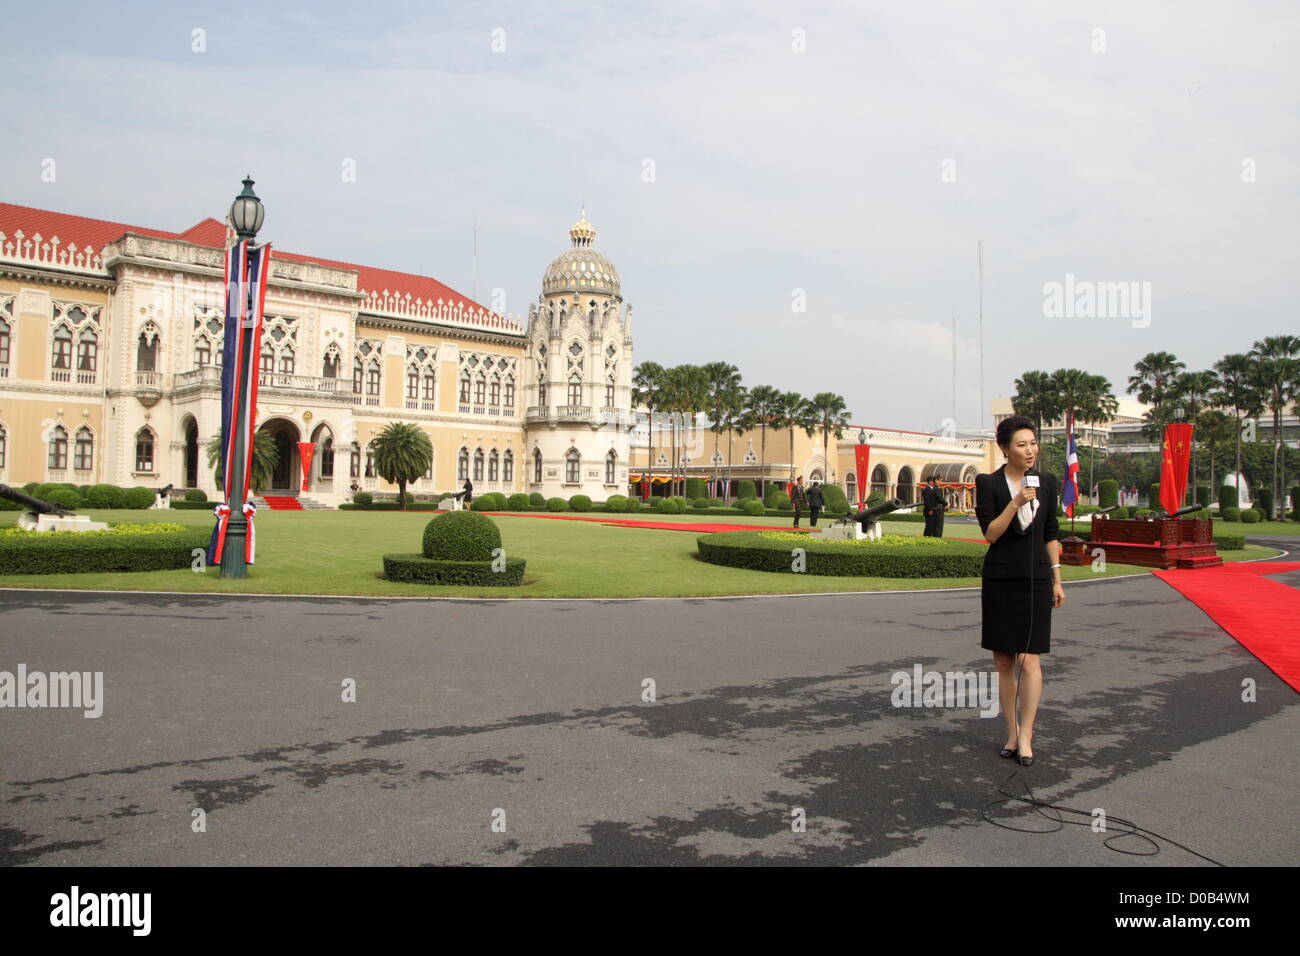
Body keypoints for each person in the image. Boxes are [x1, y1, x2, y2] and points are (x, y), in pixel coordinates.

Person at [975, 415, 1065, 767]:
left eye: (1033, 443)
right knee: (1003, 661)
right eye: (1021, 444)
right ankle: (1011, 732)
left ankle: (1027, 735)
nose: (1030, 450)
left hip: (1036, 579)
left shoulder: (1047, 482)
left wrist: (1057, 579)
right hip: (1001, 579)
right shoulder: (989, 483)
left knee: (1030, 659)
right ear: (1005, 449)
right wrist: (1014, 503)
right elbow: (991, 534)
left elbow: (1051, 532)